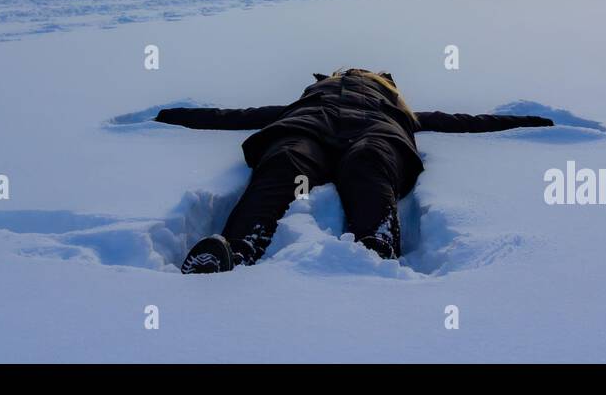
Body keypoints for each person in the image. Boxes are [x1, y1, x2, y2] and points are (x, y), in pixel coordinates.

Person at [155, 69, 554, 273]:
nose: (355, 75)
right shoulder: (309, 98)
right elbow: (239, 116)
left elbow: (460, 119)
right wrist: (170, 115)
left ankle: (377, 242)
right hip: (308, 125)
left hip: (375, 128)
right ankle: (237, 249)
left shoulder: (398, 109)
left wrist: (528, 121)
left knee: (369, 162)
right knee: (284, 162)